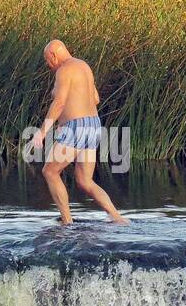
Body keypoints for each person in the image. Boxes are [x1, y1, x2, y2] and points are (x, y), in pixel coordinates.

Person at [29, 40, 128, 225]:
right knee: (84, 181)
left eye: (47, 60)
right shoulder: (83, 66)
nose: (48, 65)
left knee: (50, 171)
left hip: (76, 128)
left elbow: (58, 103)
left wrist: (42, 133)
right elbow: (96, 98)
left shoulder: (64, 70)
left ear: (53, 55)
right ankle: (118, 218)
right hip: (93, 125)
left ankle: (67, 222)